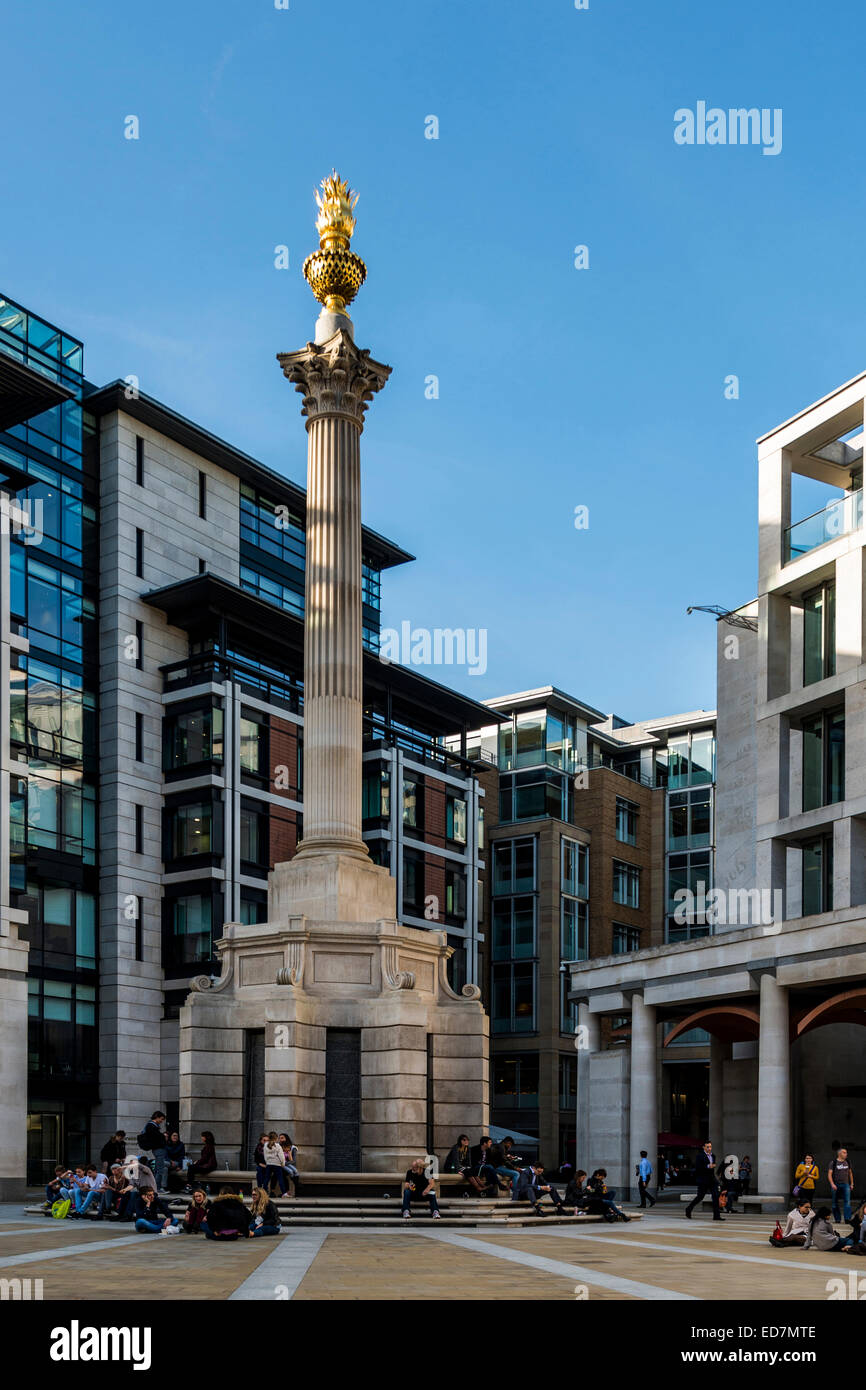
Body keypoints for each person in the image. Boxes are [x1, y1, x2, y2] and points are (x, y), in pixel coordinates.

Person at [684, 1140, 724, 1221]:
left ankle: (716, 1216)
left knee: (715, 1196)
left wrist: (712, 1167)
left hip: (712, 1179)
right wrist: (708, 1166)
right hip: (703, 1179)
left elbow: (712, 1168)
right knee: (700, 1197)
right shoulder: (700, 1156)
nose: (709, 1148)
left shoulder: (713, 1156)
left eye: (710, 1147)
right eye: (707, 1147)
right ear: (704, 1147)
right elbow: (698, 1168)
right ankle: (688, 1209)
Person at [138, 1111, 169, 1192]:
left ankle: (155, 1187)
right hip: (158, 1149)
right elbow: (155, 1138)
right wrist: (163, 1136)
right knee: (160, 1169)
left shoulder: (152, 1126)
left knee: (158, 1169)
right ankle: (157, 1188)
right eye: (161, 1119)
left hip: (157, 1149)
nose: (162, 1121)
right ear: (157, 1117)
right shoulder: (151, 1126)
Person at [829, 1147, 854, 1224]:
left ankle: (847, 1219)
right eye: (844, 1152)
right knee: (834, 1203)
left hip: (846, 1184)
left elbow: (850, 1173)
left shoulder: (848, 1162)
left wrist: (852, 1183)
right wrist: (832, 1184)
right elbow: (829, 1174)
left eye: (846, 1152)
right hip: (836, 1185)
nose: (846, 1154)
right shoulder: (833, 1162)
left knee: (847, 1202)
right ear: (839, 1153)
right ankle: (837, 1219)